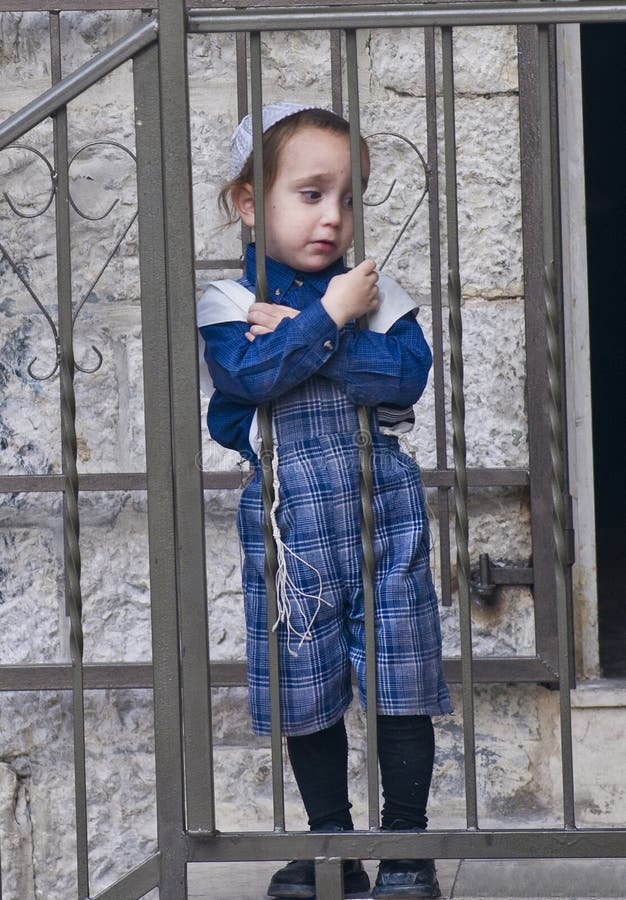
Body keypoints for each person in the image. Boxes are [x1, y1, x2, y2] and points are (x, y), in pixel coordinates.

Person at [197, 101, 451, 900]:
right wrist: (336, 319)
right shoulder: (225, 305)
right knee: (304, 684)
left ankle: (406, 848)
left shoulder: (379, 288)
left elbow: (404, 376)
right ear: (248, 202)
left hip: (385, 510)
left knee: (401, 673)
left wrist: (314, 327)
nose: (333, 216)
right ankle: (329, 845)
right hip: (288, 520)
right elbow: (250, 378)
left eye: (348, 196)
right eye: (310, 193)